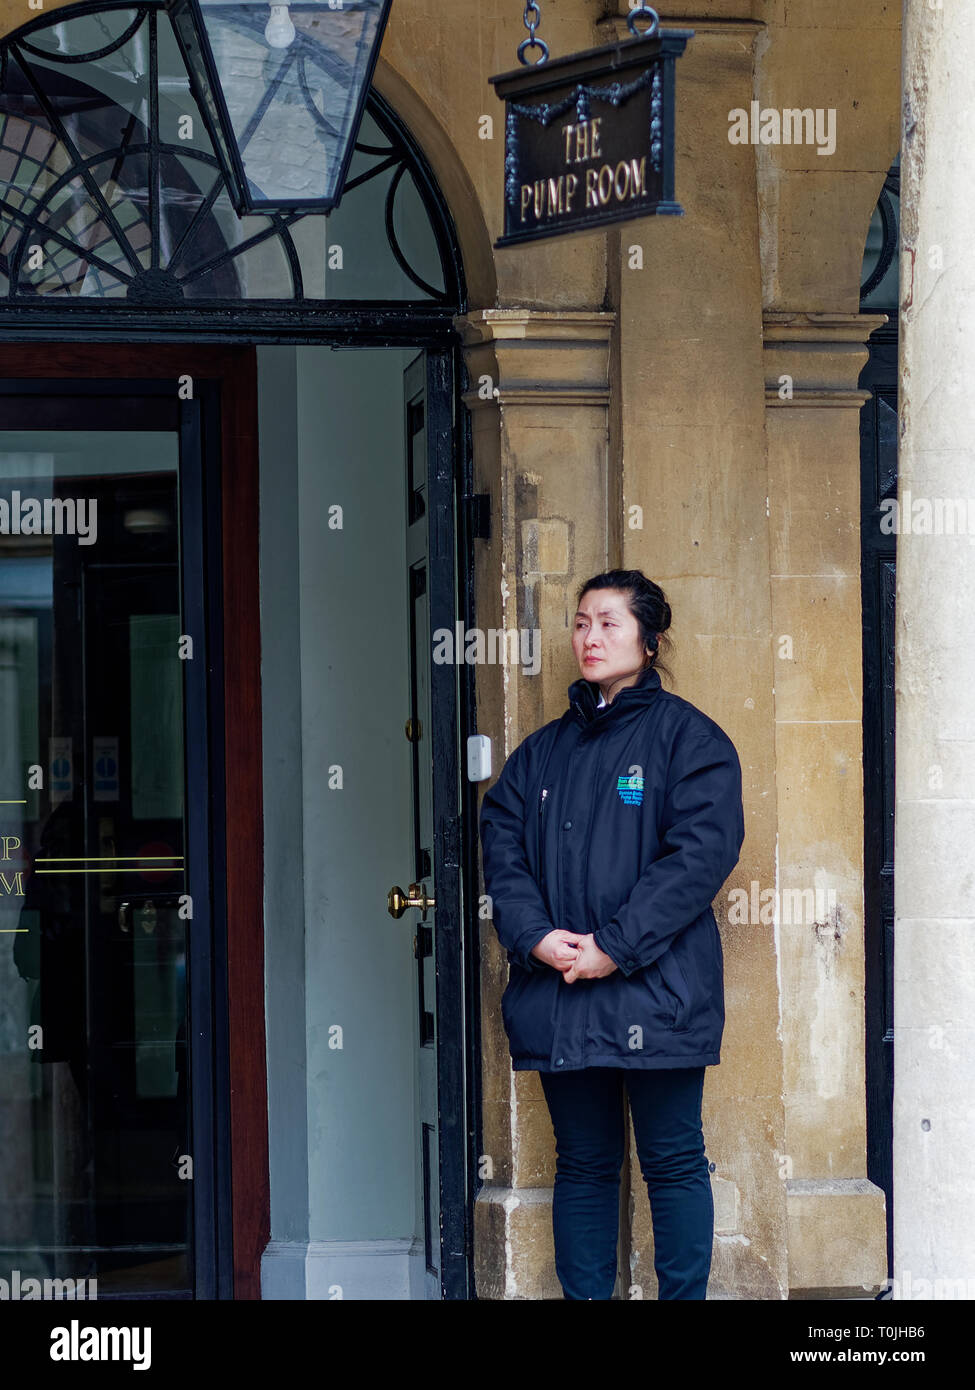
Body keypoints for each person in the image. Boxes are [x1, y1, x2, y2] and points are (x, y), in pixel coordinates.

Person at [478, 569, 744, 1300]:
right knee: (584, 1163)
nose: (589, 638)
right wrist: (533, 935)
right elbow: (501, 844)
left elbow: (698, 858)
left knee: (672, 1159)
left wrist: (614, 947)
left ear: (648, 641)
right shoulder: (541, 752)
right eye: (580, 623)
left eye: (608, 623)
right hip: (560, 987)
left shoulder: (689, 739)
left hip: (655, 990)